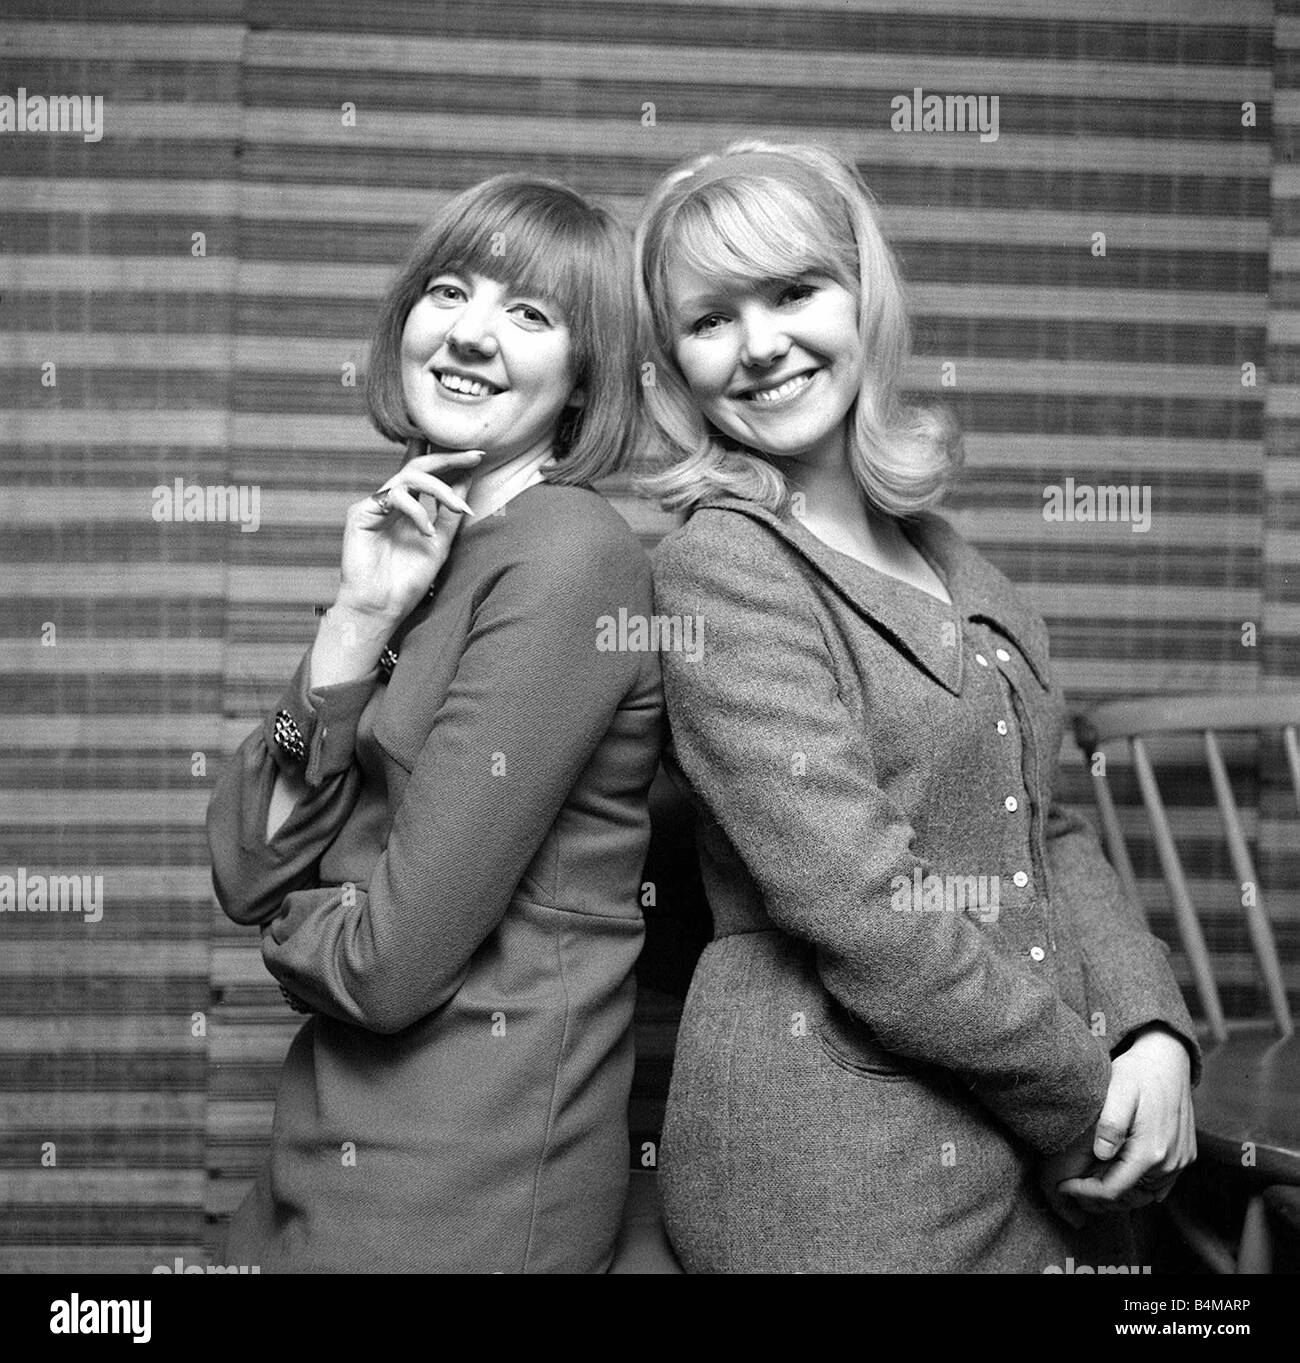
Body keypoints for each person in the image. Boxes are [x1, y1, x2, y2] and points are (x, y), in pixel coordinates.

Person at [635, 140, 1199, 1273]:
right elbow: (860, 901)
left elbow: (1054, 827)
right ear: (672, 361)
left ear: (864, 296)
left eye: (795, 291)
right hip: (839, 1172)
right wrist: (1086, 1101)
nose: (760, 345)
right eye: (710, 319)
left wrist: (1151, 1032)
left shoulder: (959, 566)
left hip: (1029, 1154)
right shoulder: (722, 567)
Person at [206, 175, 663, 1272]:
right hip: (331, 1130)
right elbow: (243, 860)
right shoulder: (422, 545)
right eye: (449, 290)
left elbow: (385, 965)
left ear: (581, 376)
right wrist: (360, 614)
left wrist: (294, 924)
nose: (469, 332)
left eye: (529, 313)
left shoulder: (567, 556)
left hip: (463, 1173)